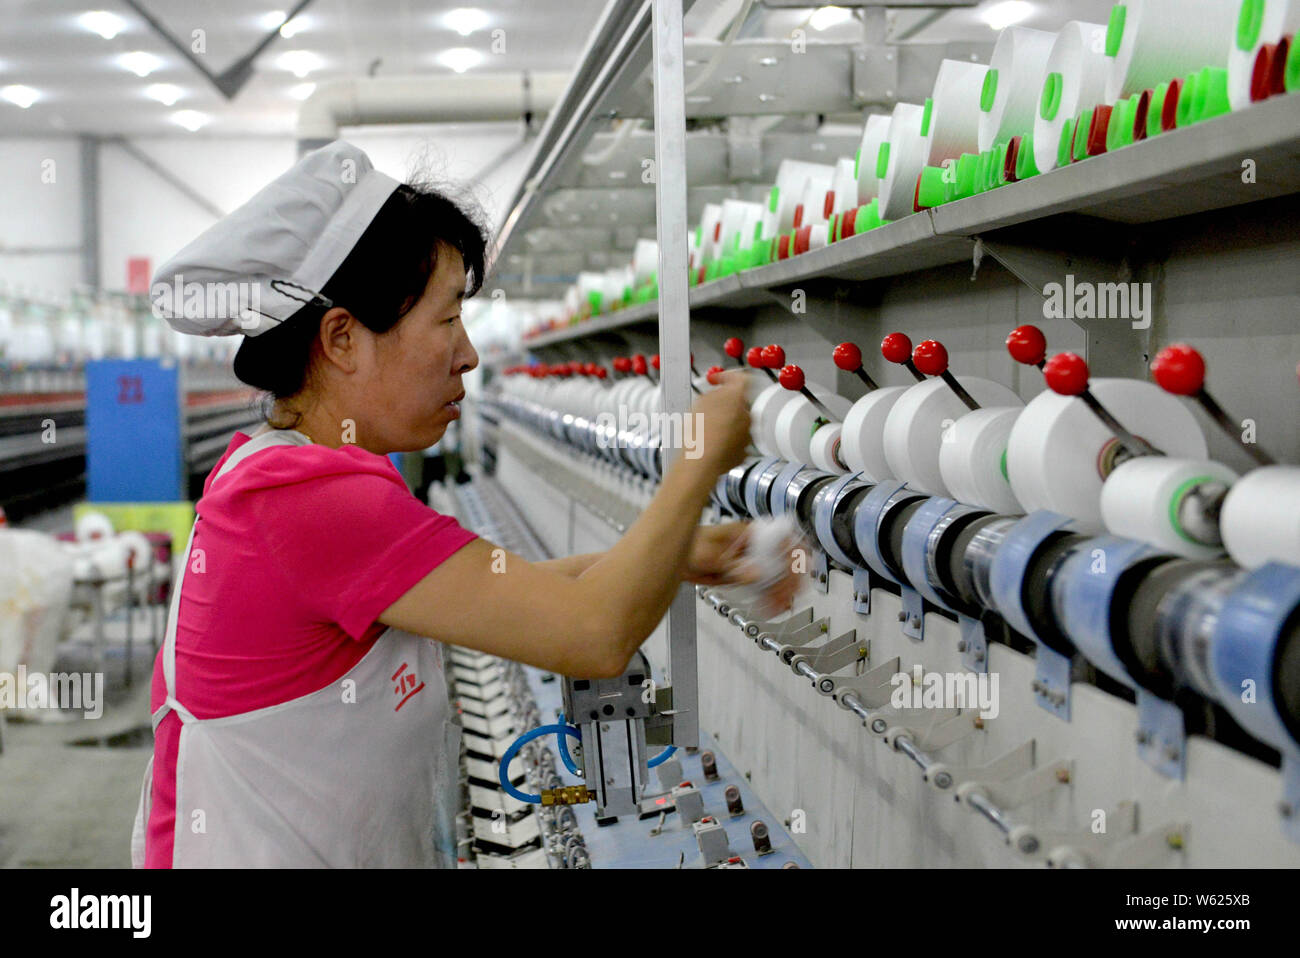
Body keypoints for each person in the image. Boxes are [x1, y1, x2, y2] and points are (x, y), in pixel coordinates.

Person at [130, 141, 798, 868]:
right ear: (343, 338)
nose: (470, 354)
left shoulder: (274, 469)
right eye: (447, 320)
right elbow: (596, 634)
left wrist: (675, 554)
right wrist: (696, 463)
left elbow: (492, 593)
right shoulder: (312, 501)